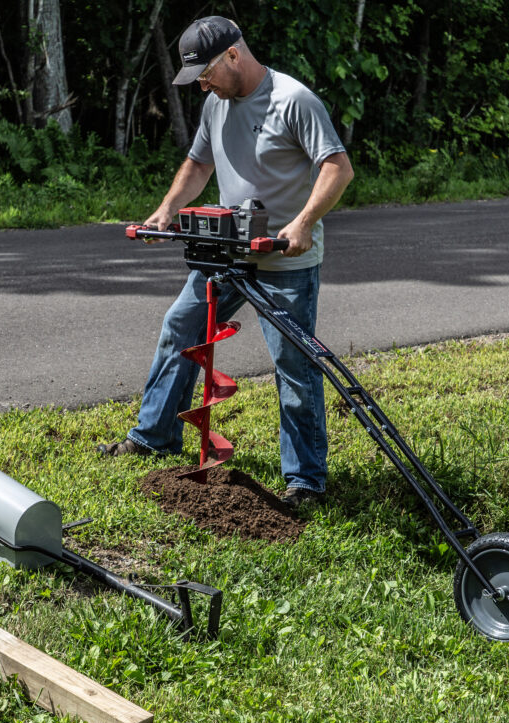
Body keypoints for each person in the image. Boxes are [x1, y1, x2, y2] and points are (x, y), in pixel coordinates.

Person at [98, 15, 354, 508]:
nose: (203, 86)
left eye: (206, 73)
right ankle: (154, 436)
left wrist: (302, 223)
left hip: (283, 261)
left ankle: (305, 481)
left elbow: (337, 167)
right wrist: (167, 210)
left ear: (234, 55)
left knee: (293, 365)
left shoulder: (293, 100)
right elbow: (198, 163)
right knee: (181, 328)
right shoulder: (217, 104)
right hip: (225, 253)